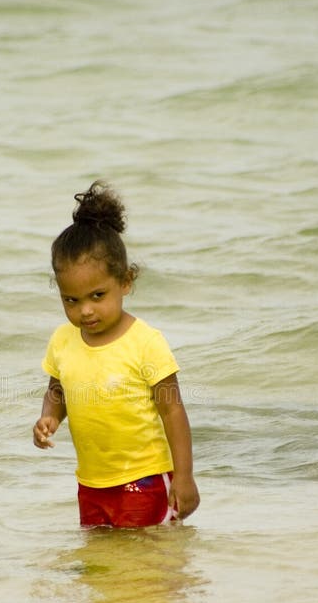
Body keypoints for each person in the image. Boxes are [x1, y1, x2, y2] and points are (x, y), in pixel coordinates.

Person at [33, 181, 200, 528]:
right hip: (91, 484)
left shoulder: (145, 342)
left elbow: (172, 410)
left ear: (125, 281)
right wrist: (49, 417)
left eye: (97, 295)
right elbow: (57, 390)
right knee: (99, 558)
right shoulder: (63, 340)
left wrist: (184, 477)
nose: (85, 310)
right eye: (71, 300)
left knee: (149, 557)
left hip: (145, 481)